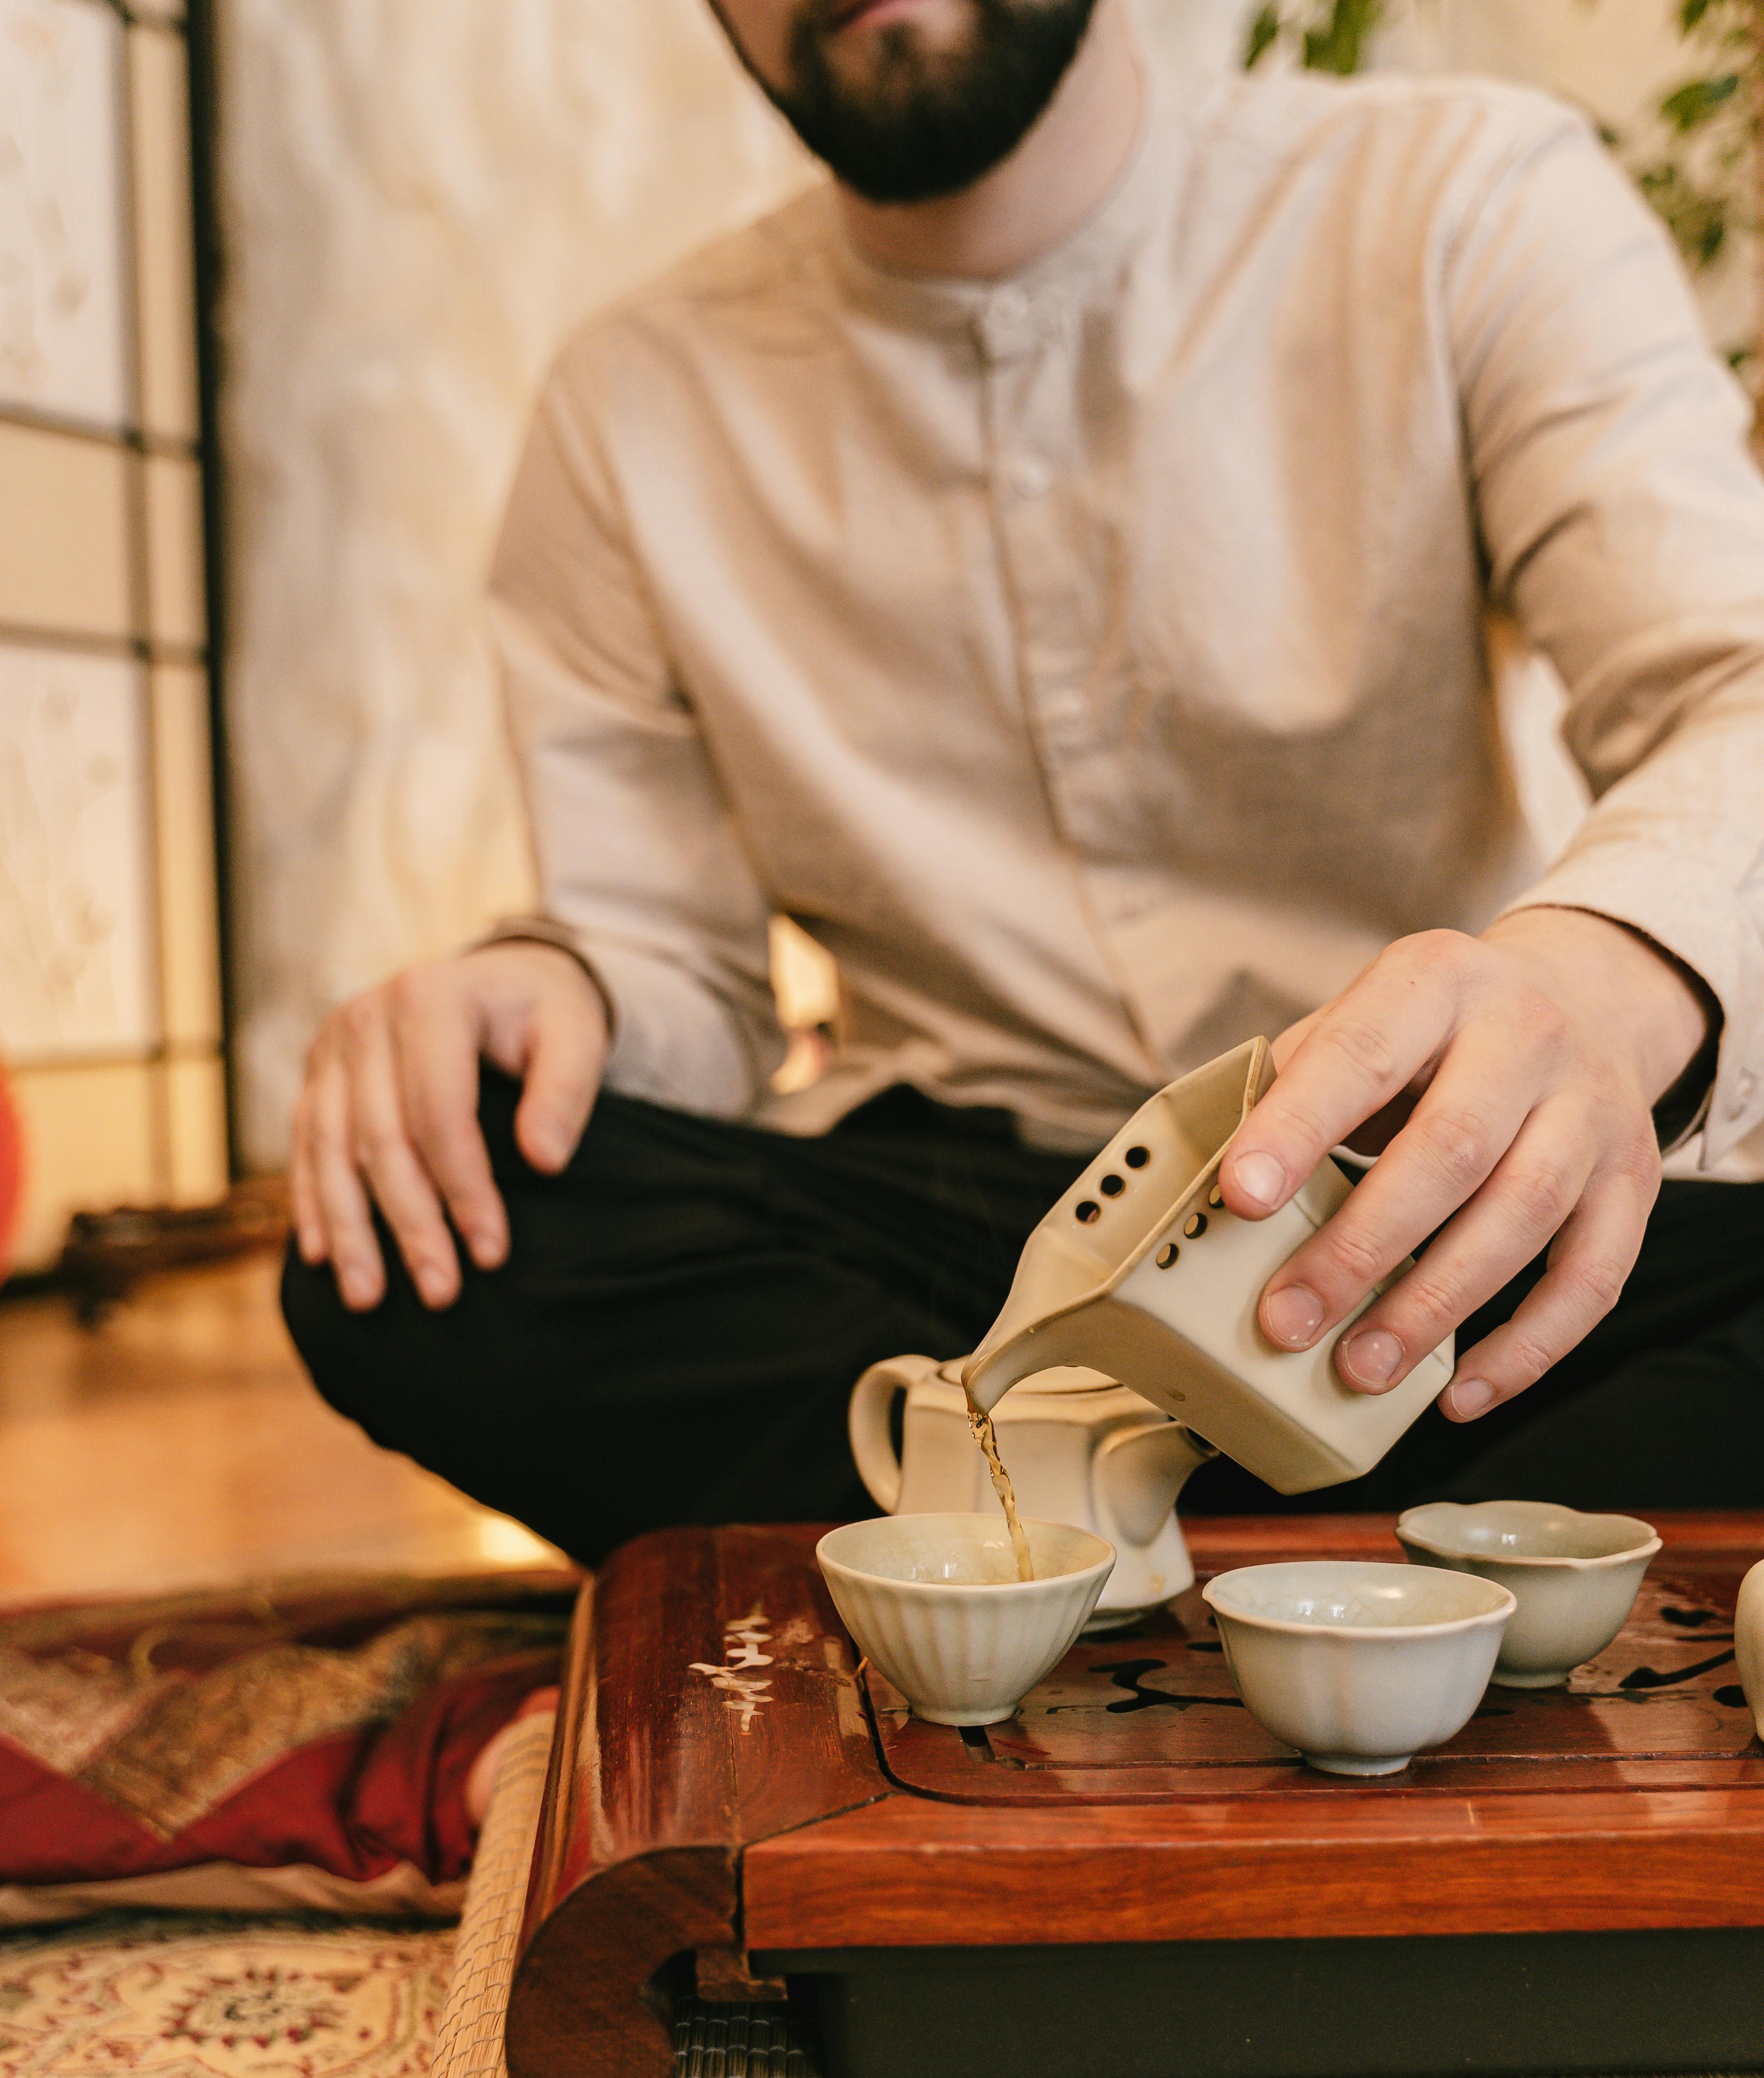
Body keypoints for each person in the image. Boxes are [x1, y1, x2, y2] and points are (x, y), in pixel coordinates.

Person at [282, 0, 1764, 1564]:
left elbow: (1732, 680)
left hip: (1409, 1219)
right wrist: (545, 986)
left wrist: (1598, 983)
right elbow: (668, 971)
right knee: (411, 1236)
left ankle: (1027, 1547)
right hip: (962, 1248)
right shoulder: (626, 399)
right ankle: (1349, 1567)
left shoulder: (1462, 196)